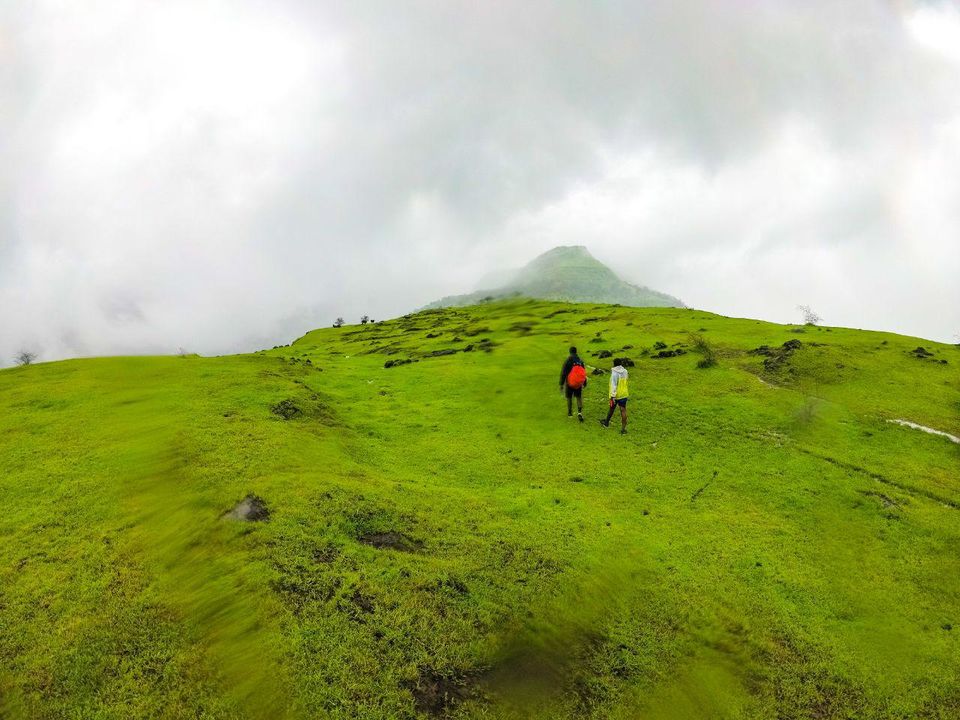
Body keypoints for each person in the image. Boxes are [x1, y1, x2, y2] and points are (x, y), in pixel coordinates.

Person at [600, 358, 629, 434]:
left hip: (616, 395)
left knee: (611, 408)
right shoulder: (625, 371)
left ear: (614, 364)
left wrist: (612, 396)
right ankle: (623, 429)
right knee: (623, 410)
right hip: (624, 393)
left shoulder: (614, 374)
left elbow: (613, 385)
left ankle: (606, 423)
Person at [559, 346, 587, 421]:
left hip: (569, 383)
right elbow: (583, 372)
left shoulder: (568, 360)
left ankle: (570, 413)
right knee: (578, 397)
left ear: (570, 352)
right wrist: (584, 382)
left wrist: (561, 384)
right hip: (578, 383)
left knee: (569, 397)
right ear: (576, 351)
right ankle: (579, 413)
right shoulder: (580, 361)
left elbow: (563, 373)